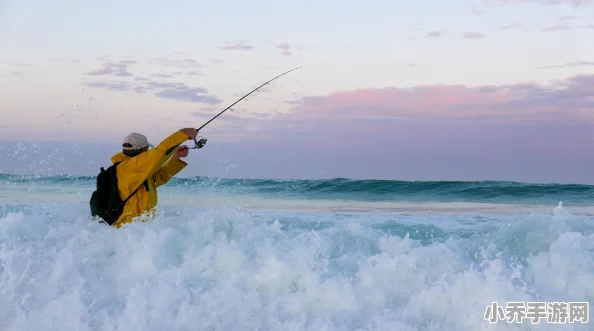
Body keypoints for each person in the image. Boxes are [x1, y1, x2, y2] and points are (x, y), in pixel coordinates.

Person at [90, 128, 199, 228]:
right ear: (143, 152)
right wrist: (183, 134)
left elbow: (159, 177)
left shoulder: (134, 172)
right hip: (128, 230)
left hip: (136, 232)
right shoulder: (132, 167)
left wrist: (176, 157)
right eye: (147, 150)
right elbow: (160, 152)